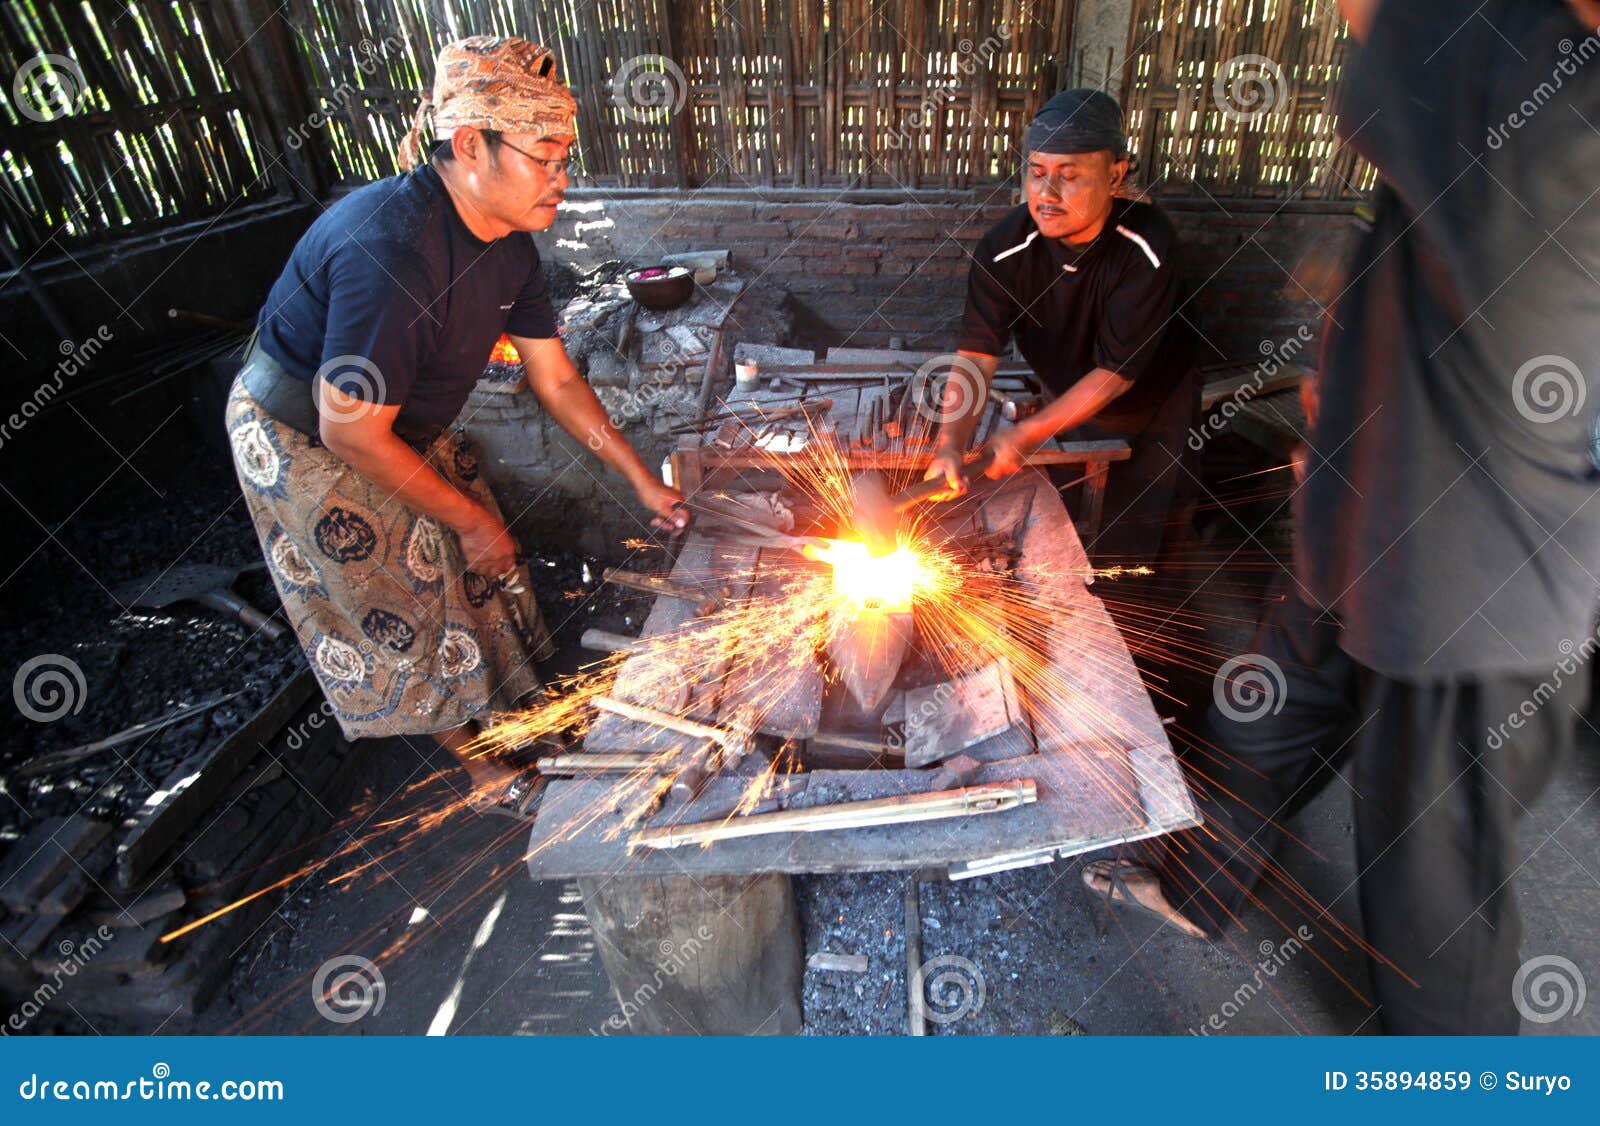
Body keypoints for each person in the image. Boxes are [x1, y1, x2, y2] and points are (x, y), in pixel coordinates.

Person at [1082, 0, 1600, 1033]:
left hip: (1467, 591)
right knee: (1268, 705)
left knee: (1430, 890)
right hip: (1364, 511)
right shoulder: (1514, 81)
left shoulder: (1538, 93)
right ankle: (1200, 888)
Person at [225, 37, 684, 807]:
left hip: (388, 425)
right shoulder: (392, 248)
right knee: (399, 593)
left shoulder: (509, 250)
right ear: (471, 145)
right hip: (305, 436)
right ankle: (479, 766)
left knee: (479, 568)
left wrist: (643, 482)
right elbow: (347, 432)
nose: (562, 180)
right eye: (546, 156)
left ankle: (519, 713)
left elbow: (556, 379)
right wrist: (470, 522)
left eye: (565, 157)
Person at [925, 88, 1200, 564]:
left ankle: (1138, 609)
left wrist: (1026, 435)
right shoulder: (1004, 250)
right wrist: (950, 442)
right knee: (1072, 518)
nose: (1046, 195)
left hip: (1153, 403)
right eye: (1037, 174)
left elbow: (1115, 374)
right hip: (1066, 393)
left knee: (1139, 531)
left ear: (1115, 176)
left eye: (1069, 177)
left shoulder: (1147, 246)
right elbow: (975, 355)